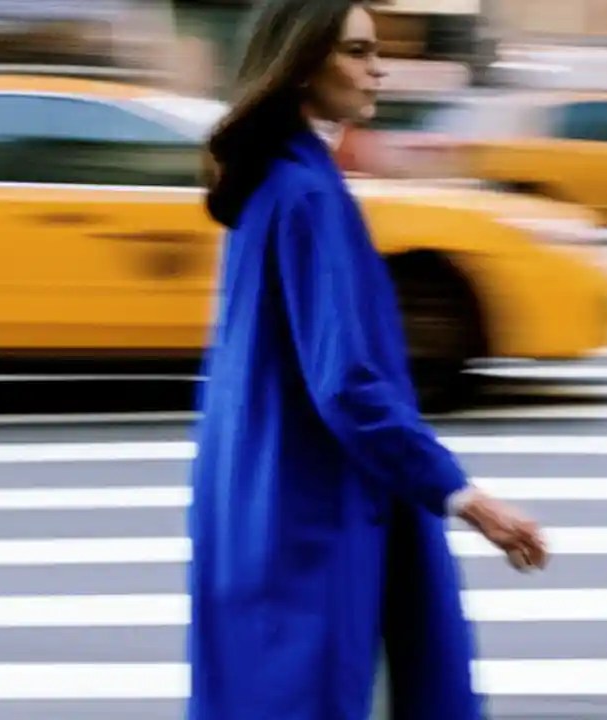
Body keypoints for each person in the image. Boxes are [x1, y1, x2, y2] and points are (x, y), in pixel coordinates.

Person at [186, 1, 550, 718]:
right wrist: (468, 499)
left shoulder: (269, 183)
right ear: (300, 65)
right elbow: (348, 384)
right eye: (356, 50)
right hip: (320, 525)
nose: (376, 67)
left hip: (264, 512)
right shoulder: (308, 194)